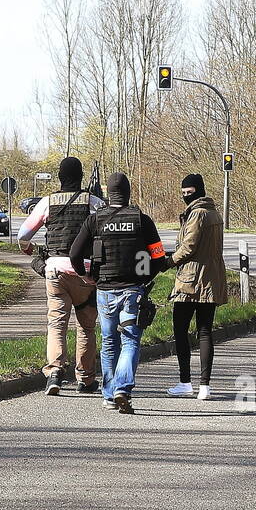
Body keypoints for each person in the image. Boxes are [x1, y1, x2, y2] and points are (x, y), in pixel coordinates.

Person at [69, 172, 169, 414]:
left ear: (108, 194)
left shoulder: (95, 221)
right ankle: (122, 389)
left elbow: (74, 254)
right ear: (128, 192)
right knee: (130, 341)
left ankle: (109, 395)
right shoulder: (142, 220)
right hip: (133, 291)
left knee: (110, 342)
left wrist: (86, 276)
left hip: (104, 291)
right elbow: (158, 256)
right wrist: (146, 277)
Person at [18, 157, 104, 395]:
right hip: (85, 274)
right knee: (86, 327)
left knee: (56, 324)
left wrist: (28, 250)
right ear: (81, 176)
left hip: (55, 271)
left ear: (59, 177)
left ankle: (54, 373)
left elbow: (23, 235)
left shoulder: (47, 202)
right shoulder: (93, 202)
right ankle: (85, 379)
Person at [166, 173, 229, 400]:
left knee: (180, 330)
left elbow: (189, 246)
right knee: (205, 331)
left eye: (189, 192)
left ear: (198, 190)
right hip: (212, 279)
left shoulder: (197, 214)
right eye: (183, 193)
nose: (185, 196)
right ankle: (205, 386)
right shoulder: (214, 212)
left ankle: (185, 382)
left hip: (190, 280)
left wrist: (168, 261)